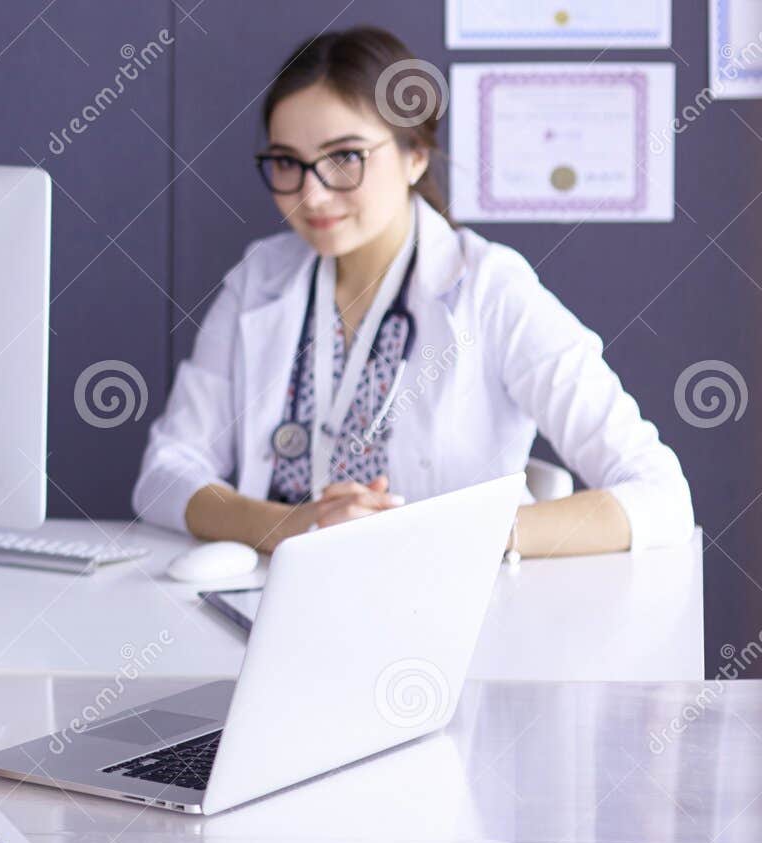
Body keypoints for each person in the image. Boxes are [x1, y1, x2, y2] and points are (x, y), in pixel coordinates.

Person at [132, 26, 694, 557]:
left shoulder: (490, 289)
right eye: (287, 163)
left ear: (415, 154)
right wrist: (289, 526)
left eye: (345, 158)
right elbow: (163, 477)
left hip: (447, 620)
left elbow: (661, 497)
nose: (313, 194)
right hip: (275, 600)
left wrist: (433, 536)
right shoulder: (260, 278)